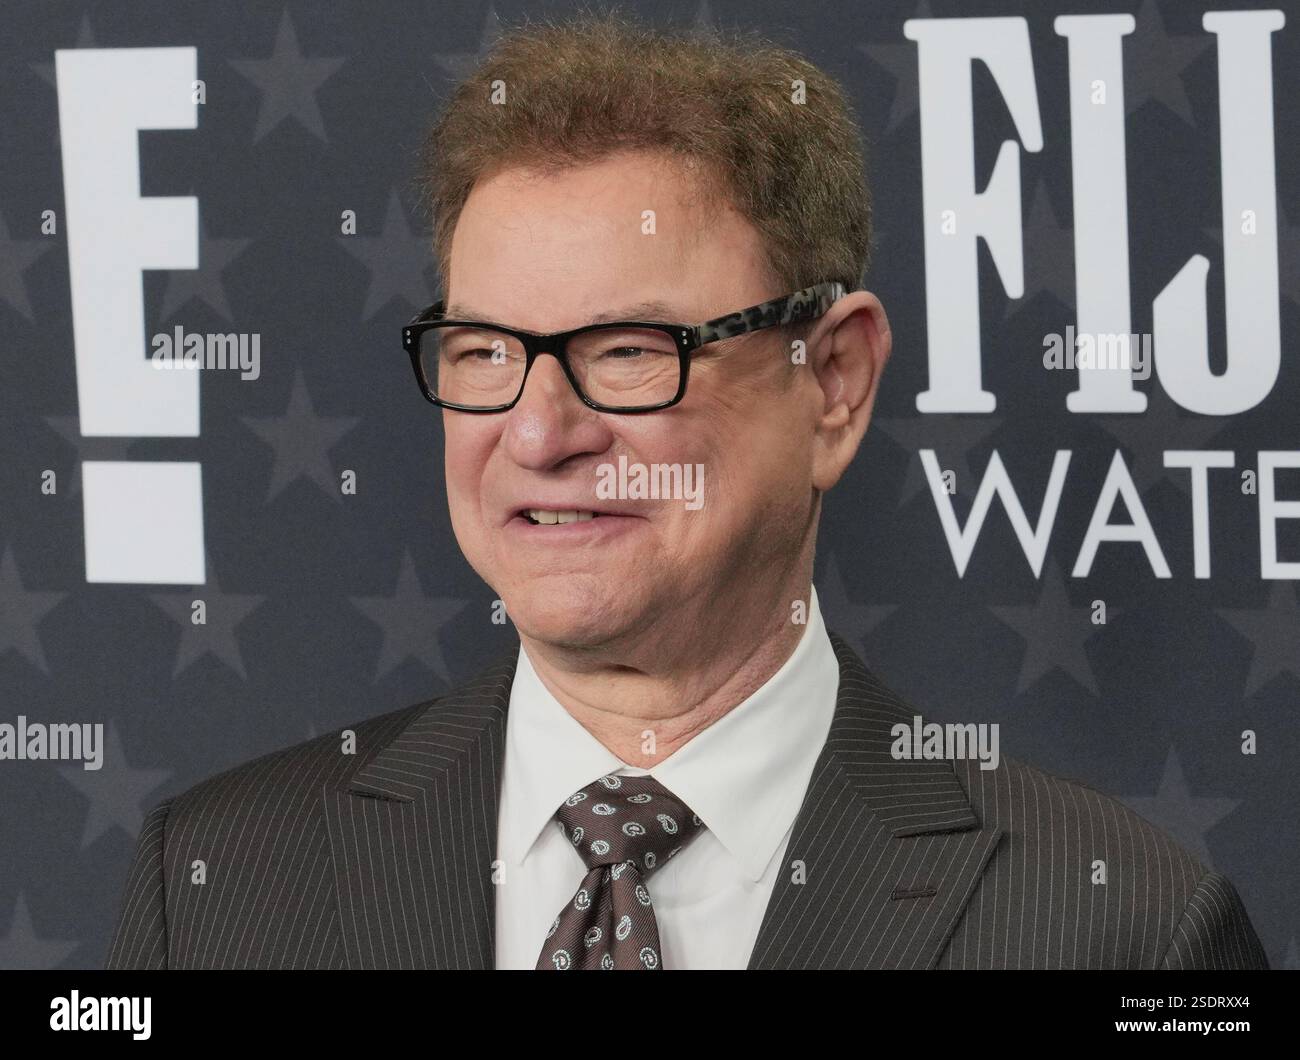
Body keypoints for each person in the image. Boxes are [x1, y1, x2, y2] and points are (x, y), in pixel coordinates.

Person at [106, 12, 1267, 970]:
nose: (538, 430)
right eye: (482, 351)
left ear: (835, 383)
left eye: (626, 349)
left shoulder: (1123, 931)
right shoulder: (216, 887)